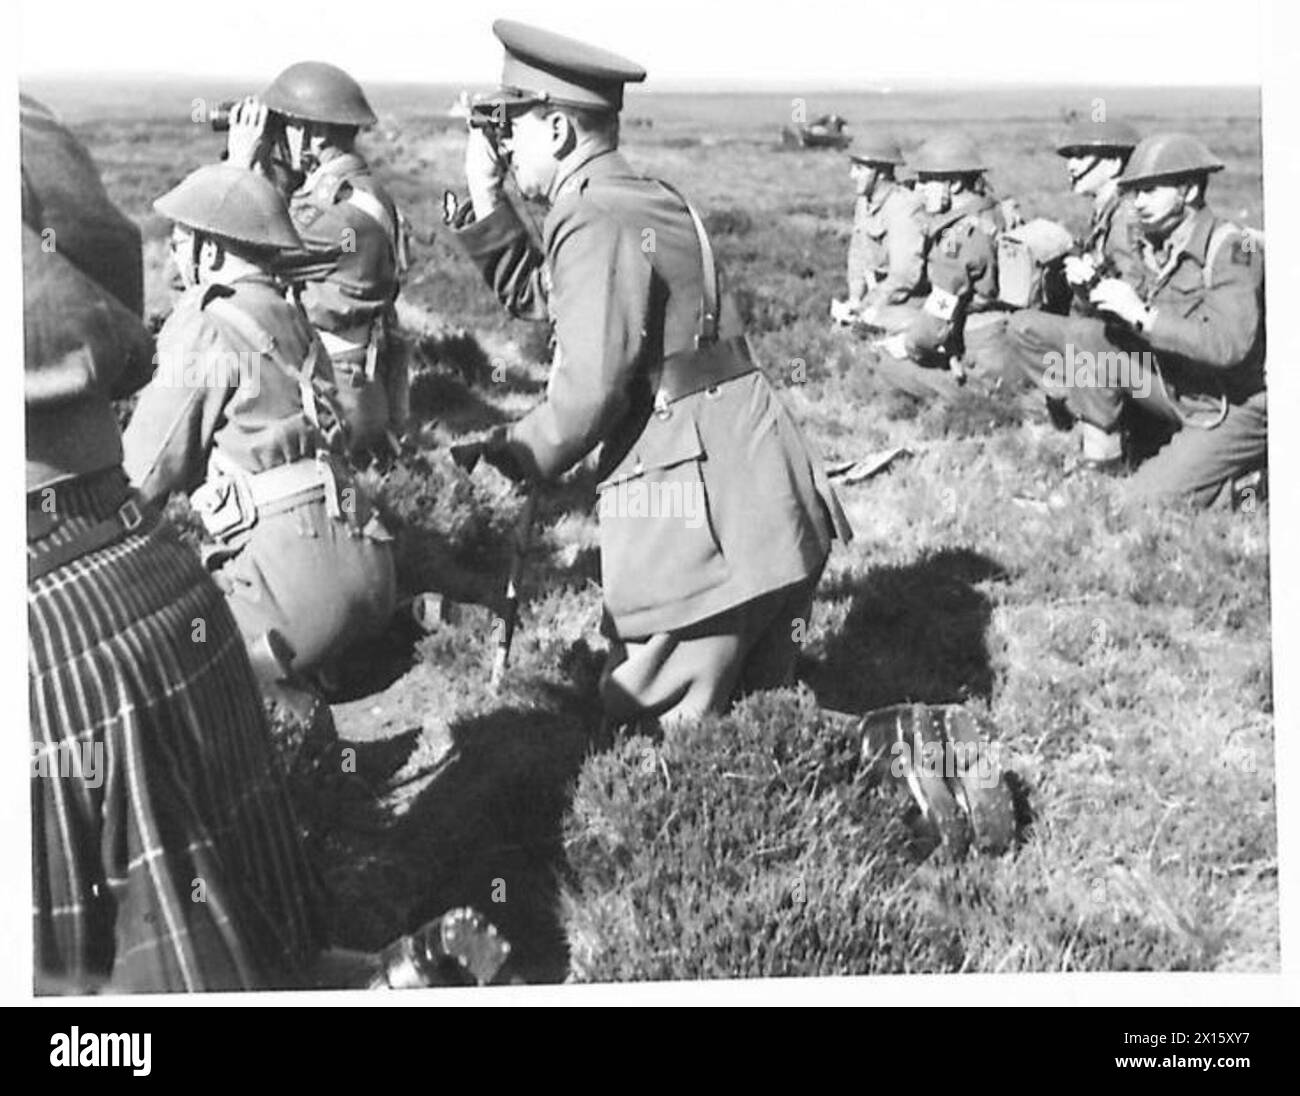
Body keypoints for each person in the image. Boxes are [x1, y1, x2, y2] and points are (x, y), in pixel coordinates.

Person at [450, 20, 852, 729]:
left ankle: (913, 773)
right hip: (763, 500)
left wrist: (517, 454)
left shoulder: (592, 215)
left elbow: (588, 393)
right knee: (756, 724)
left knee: (657, 727)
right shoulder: (642, 197)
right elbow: (559, 303)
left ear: (559, 131)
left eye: (512, 129)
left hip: (703, 527)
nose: (504, 147)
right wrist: (488, 197)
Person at [24, 96, 320, 992]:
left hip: (273, 580)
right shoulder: (286, 312)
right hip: (246, 570)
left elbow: (153, 457)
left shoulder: (207, 327)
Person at [123, 164, 396, 677]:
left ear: (209, 251)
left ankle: (281, 707)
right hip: (373, 576)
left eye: (182, 240)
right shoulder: (296, 321)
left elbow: (142, 475)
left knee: (147, 648)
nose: (175, 254)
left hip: (294, 604)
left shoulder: (206, 323)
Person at [1012, 133, 1265, 504]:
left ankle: (1252, 484)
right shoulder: (1152, 244)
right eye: (1134, 191)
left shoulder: (1232, 248)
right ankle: (1104, 462)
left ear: (1190, 190)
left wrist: (1143, 316)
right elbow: (1128, 313)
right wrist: (1093, 290)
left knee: (1144, 502)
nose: (1138, 202)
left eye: (1150, 190)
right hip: (1174, 383)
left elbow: (1229, 345)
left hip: (1229, 404)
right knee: (1087, 337)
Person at [224, 62, 410, 460]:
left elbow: (233, 252)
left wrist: (240, 165)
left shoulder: (338, 214)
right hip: (350, 387)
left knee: (225, 451)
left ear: (317, 132)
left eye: (287, 123)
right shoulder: (360, 190)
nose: (279, 133)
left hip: (333, 401)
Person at [1004, 117, 1143, 425]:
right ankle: (1082, 399)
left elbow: (1135, 294)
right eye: (1070, 157)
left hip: (1125, 343)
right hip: (1104, 335)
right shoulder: (1109, 209)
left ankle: (1090, 409)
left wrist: (1089, 285)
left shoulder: (1125, 219)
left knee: (1022, 327)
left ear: (1114, 163)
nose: (1071, 165)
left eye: (1081, 155)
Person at [871, 132, 1009, 397]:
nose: (918, 189)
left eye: (926, 181)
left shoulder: (955, 242)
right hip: (1008, 340)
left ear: (955, 184)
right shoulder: (996, 211)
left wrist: (909, 346)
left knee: (887, 366)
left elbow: (936, 320)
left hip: (981, 356)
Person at [829, 135, 924, 326]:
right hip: (878, 296)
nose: (852, 175)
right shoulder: (864, 202)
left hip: (908, 301)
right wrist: (855, 297)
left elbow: (905, 275)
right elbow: (857, 254)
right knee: (840, 331)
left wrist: (867, 306)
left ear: (880, 173)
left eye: (859, 169)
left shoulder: (903, 208)